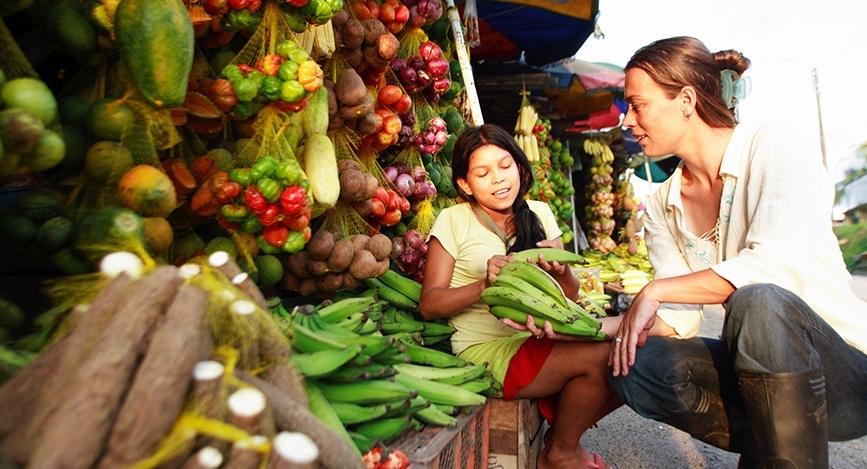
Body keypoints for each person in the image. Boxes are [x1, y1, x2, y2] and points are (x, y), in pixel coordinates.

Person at [596, 36, 867, 468]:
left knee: (756, 301)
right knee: (634, 365)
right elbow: (679, 318)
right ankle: (776, 447)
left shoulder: (774, 144)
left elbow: (776, 270)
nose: (628, 121)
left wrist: (654, 290)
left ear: (685, 100)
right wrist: (582, 325)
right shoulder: (664, 204)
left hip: (846, 371)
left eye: (637, 104)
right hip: (764, 377)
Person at [418, 124, 698, 469]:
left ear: (520, 167)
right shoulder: (453, 220)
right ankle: (560, 453)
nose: (498, 179)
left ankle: (562, 440)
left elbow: (567, 294)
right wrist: (485, 286)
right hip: (485, 349)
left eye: (505, 166)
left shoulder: (540, 214)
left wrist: (562, 271)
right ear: (465, 184)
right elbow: (430, 304)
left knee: (636, 351)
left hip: (542, 333)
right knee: (605, 356)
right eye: (482, 172)